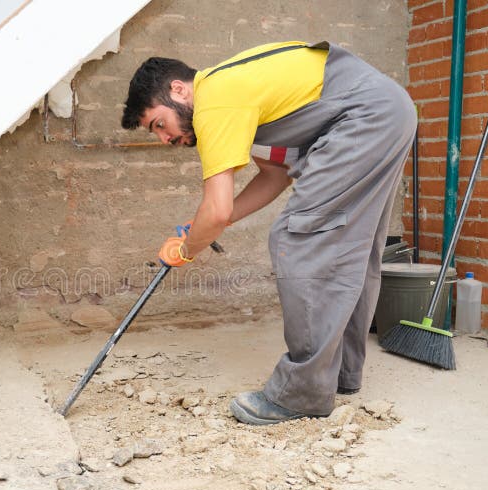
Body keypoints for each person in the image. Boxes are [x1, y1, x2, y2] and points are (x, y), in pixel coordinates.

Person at [121, 41, 416, 425]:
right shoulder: (242, 91)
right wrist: (208, 227)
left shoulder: (215, 98)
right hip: (385, 111)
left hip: (363, 118)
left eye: (159, 124)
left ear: (178, 89)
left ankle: (302, 393)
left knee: (298, 241)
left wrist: (187, 248)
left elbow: (217, 207)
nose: (165, 138)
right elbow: (273, 177)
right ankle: (340, 373)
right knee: (351, 247)